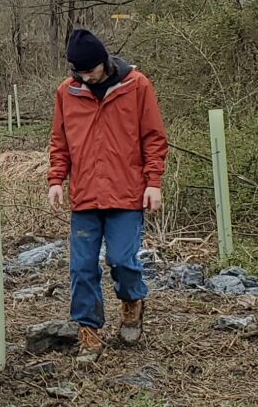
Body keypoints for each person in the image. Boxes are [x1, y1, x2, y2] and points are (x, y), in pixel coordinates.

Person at [48, 28, 168, 365]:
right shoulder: (67, 92)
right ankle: (89, 330)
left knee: (122, 261)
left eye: (90, 71)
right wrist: (57, 179)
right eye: (78, 72)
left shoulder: (137, 85)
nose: (85, 77)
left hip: (127, 194)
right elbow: (60, 141)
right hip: (85, 195)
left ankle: (133, 302)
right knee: (82, 267)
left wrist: (153, 182)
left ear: (104, 62)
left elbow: (154, 137)